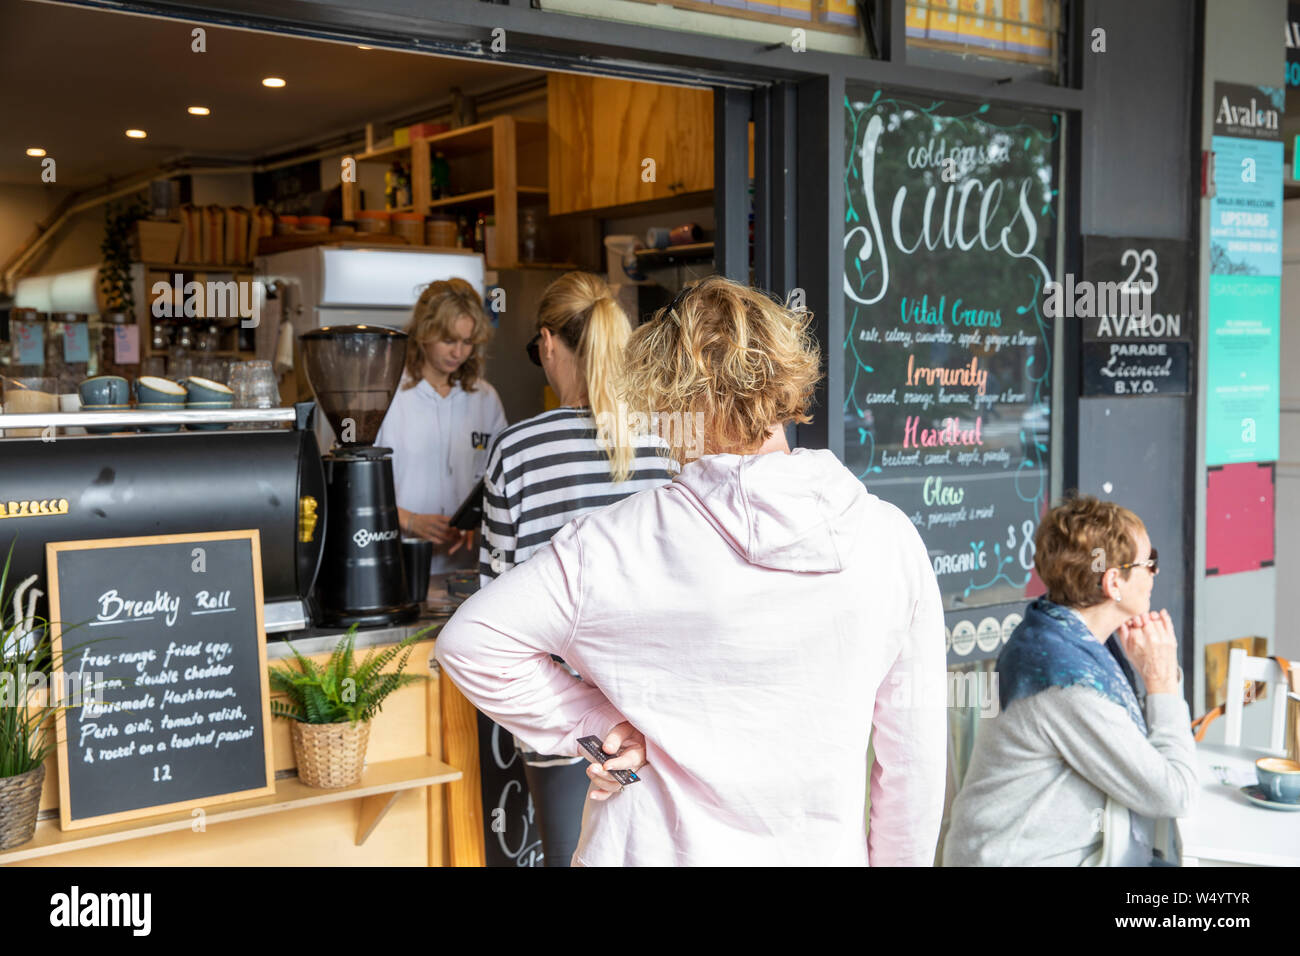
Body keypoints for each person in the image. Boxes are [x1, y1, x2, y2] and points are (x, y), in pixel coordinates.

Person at [437, 276, 947, 866]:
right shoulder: (891, 540)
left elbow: (470, 642)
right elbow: (914, 766)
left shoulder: (613, 543)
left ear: (671, 398)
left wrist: (599, 722)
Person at [472, 271, 678, 867]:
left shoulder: (517, 449)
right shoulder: (668, 440)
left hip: (570, 726)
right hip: (660, 710)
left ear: (547, 343)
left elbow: (497, 597)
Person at [943, 495, 1196, 867]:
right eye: (1149, 561)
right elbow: (1175, 793)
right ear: (1114, 582)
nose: (1155, 572)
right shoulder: (1067, 681)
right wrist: (1161, 683)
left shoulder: (1051, 635)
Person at [375, 278, 507, 579]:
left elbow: (500, 481)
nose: (458, 352)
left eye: (467, 342)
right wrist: (409, 521)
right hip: (398, 559)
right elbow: (353, 488)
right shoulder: (387, 395)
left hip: (466, 566)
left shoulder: (484, 398)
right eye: (449, 340)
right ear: (424, 333)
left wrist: (479, 522)